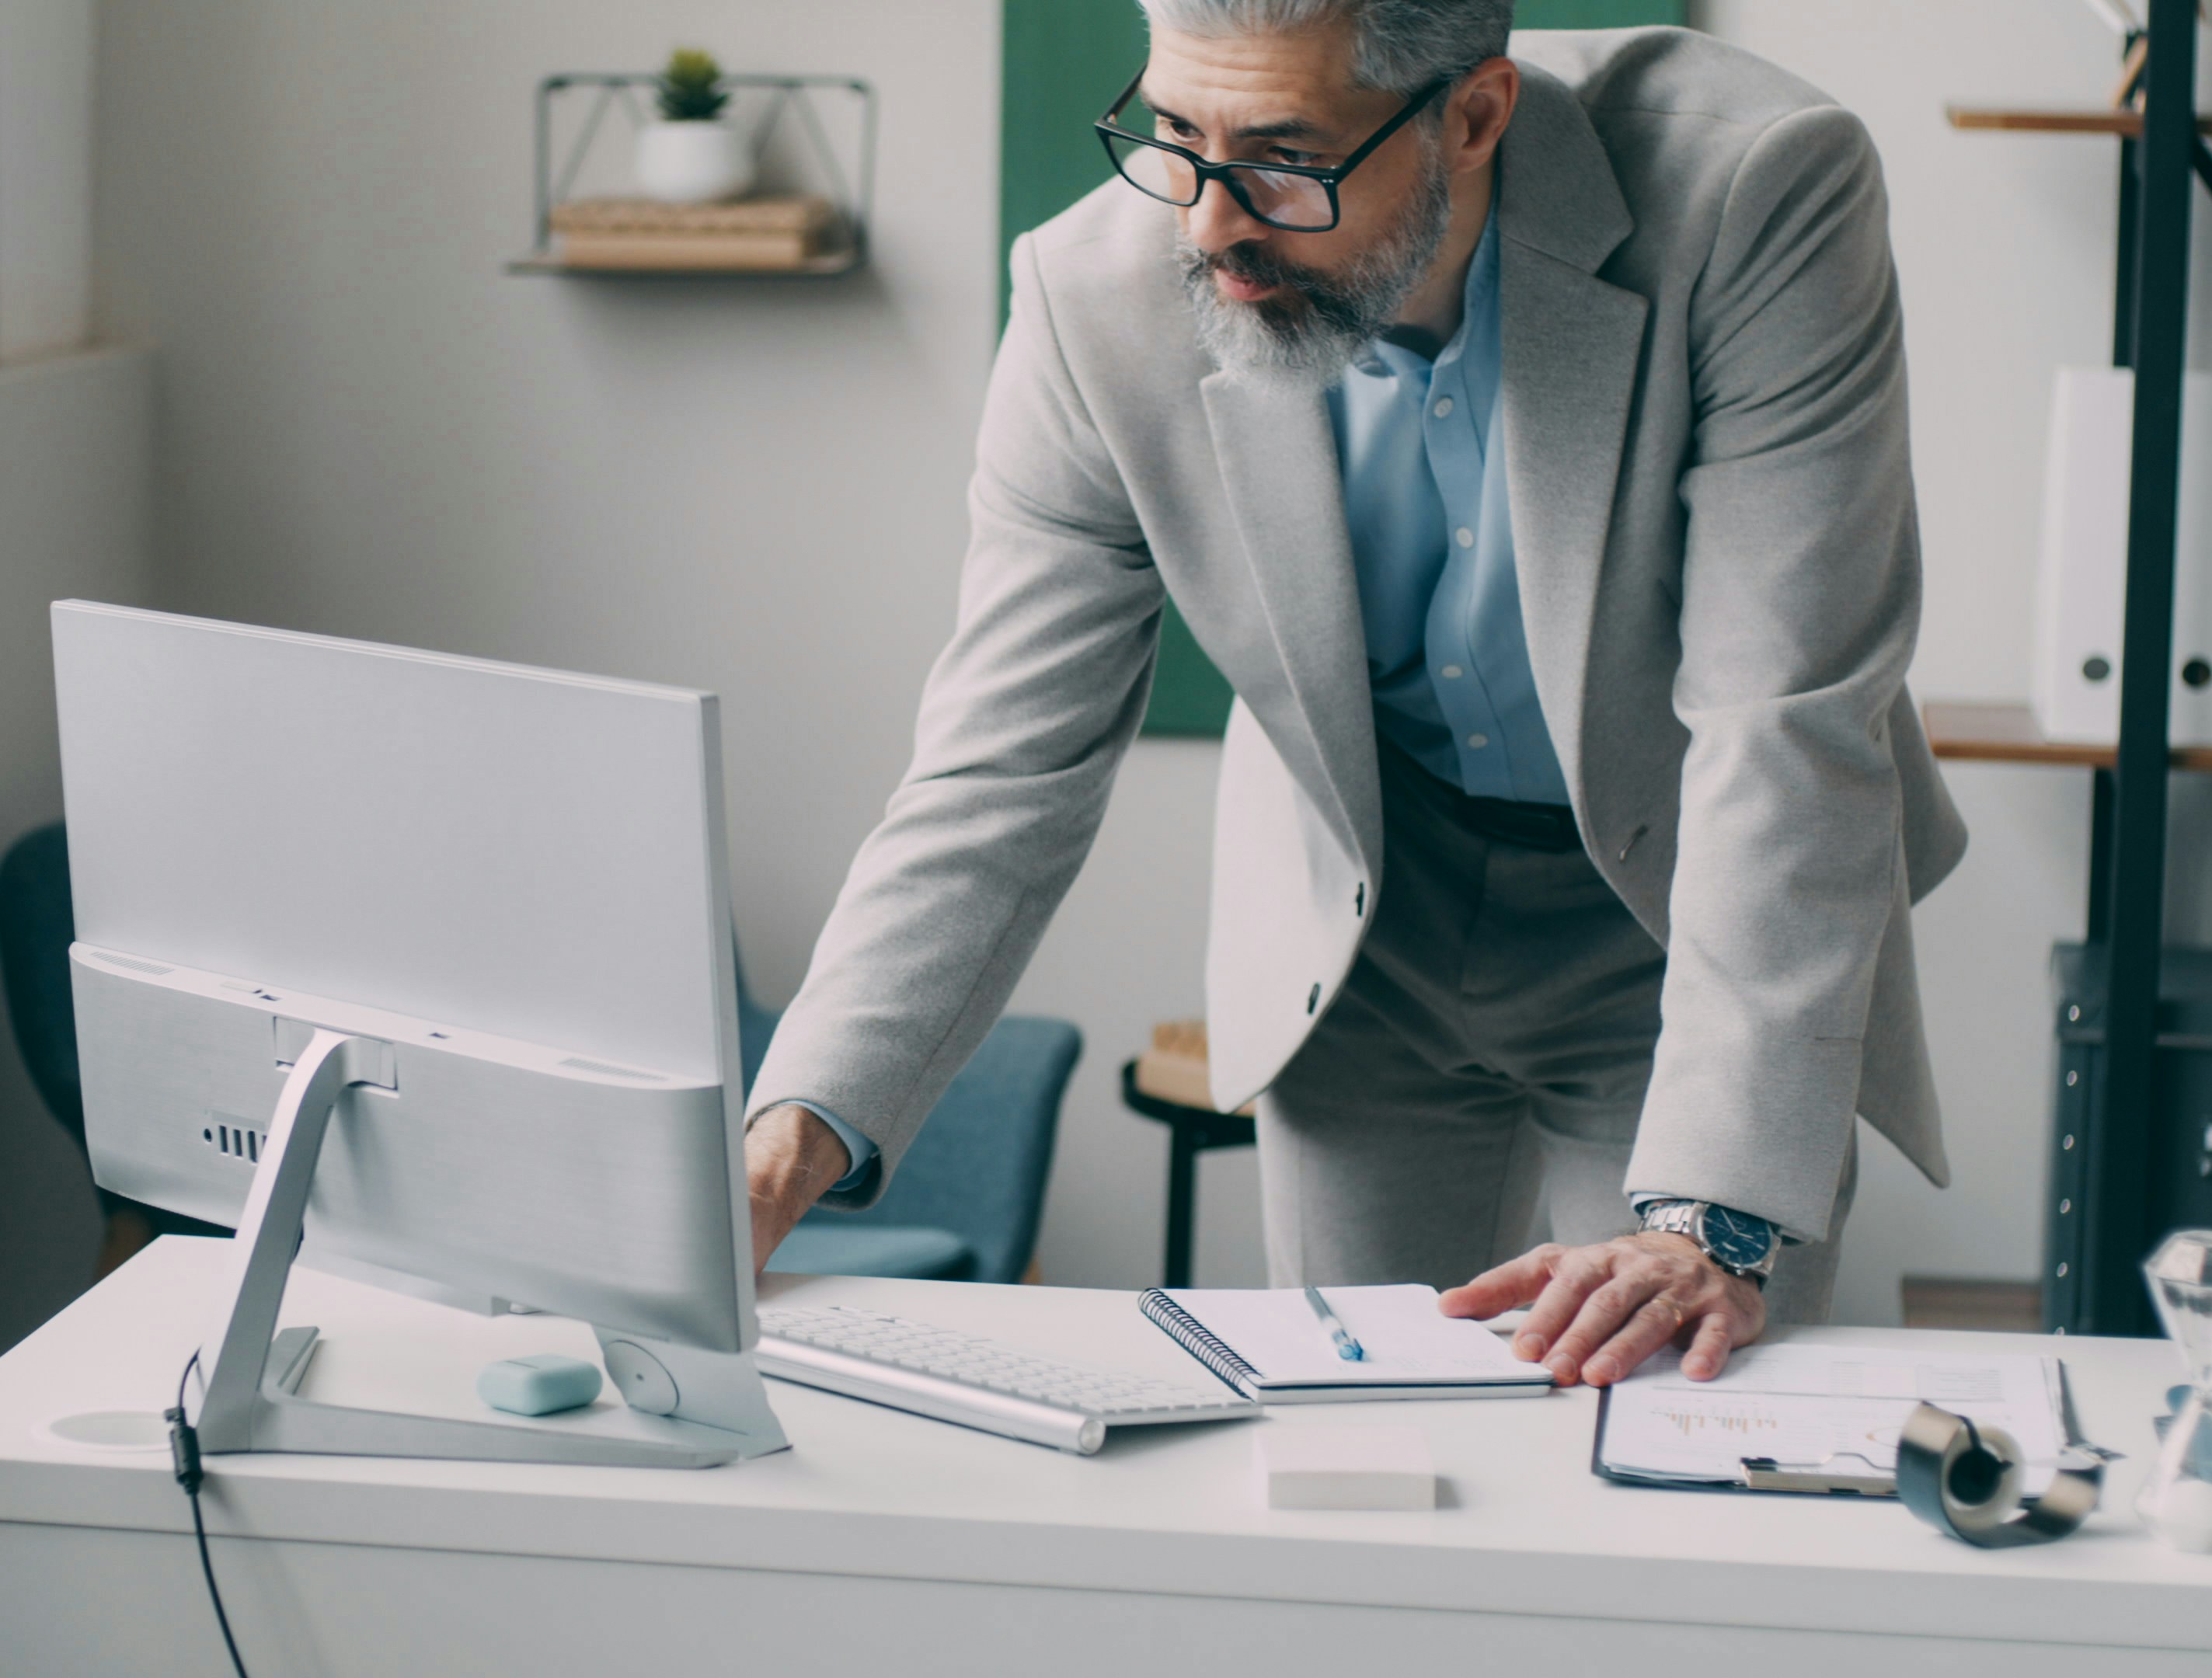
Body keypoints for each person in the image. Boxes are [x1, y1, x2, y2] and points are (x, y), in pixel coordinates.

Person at [744, 0, 1964, 1388]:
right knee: (1356, 1445)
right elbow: (998, 773)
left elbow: (1784, 718)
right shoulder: (1096, 294)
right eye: (1175, 136)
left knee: (1681, 1433)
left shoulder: (1756, 189)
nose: (1208, 226)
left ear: (1475, 116)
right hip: (1367, 923)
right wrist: (786, 1140)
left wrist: (1708, 1220)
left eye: (1280, 158)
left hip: (1683, 898)